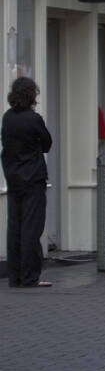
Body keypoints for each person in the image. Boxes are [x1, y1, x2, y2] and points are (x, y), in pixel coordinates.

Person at [1, 77, 53, 288]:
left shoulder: (7, 118)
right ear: (31, 95)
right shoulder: (34, 119)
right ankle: (30, 276)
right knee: (32, 227)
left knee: (14, 226)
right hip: (32, 178)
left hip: (13, 178)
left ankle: (15, 276)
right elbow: (47, 144)